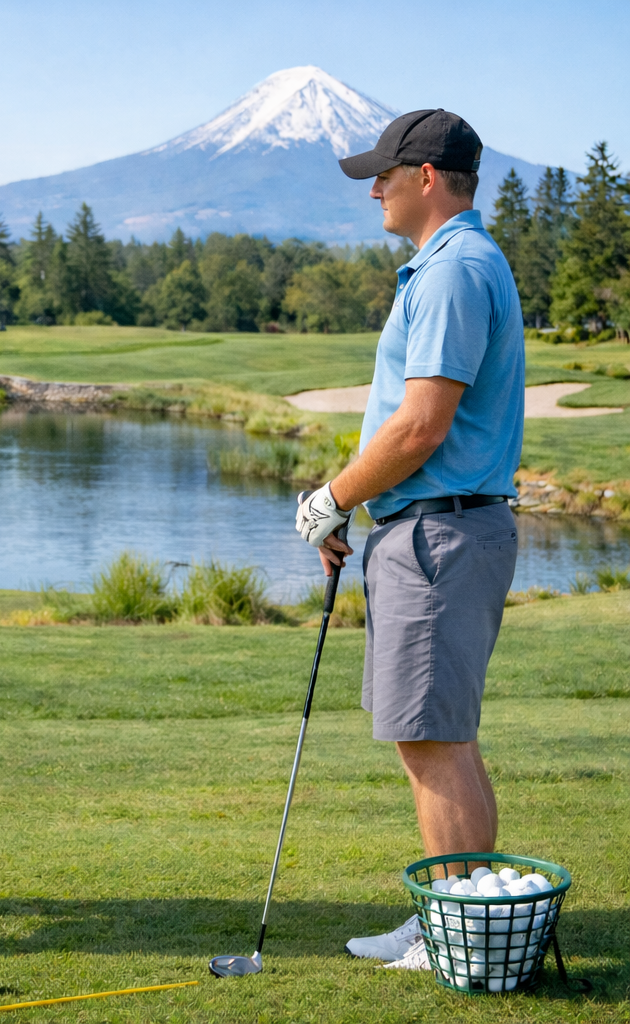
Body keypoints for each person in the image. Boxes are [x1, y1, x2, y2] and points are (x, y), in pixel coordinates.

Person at [294, 109, 524, 970]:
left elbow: (421, 426)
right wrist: (354, 504)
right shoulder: (449, 264)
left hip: (439, 534)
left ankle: (459, 930)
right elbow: (407, 423)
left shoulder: (456, 268)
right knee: (434, 734)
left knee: (432, 737)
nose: (375, 190)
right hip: (428, 528)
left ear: (427, 176)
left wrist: (329, 498)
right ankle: (451, 913)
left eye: (384, 175)